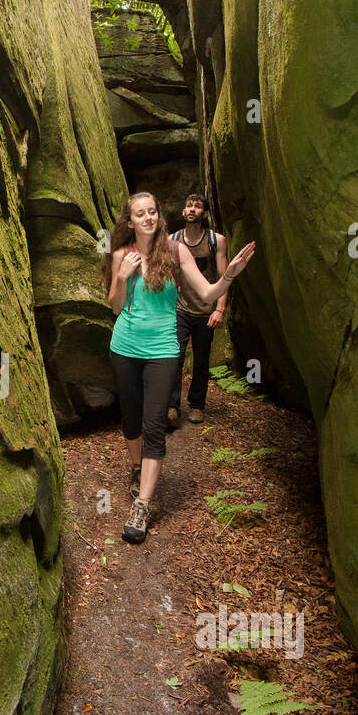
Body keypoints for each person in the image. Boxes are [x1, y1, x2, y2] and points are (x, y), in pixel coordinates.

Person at [103, 192, 255, 543]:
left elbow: (206, 292)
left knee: (154, 425)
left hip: (162, 351)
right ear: (129, 221)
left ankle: (142, 505)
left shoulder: (175, 251)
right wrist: (123, 277)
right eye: (140, 214)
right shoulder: (121, 255)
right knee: (131, 421)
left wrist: (228, 276)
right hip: (124, 348)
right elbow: (114, 307)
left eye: (152, 212)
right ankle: (137, 467)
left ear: (159, 216)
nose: (148, 218)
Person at [169, 193, 228, 425]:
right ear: (183, 211)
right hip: (180, 308)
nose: (192, 209)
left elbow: (225, 277)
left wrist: (220, 309)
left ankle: (197, 405)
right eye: (188, 205)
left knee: (202, 359)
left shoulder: (216, 241)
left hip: (206, 310)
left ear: (205, 213)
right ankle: (172, 406)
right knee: (175, 356)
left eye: (197, 206)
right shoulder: (172, 240)